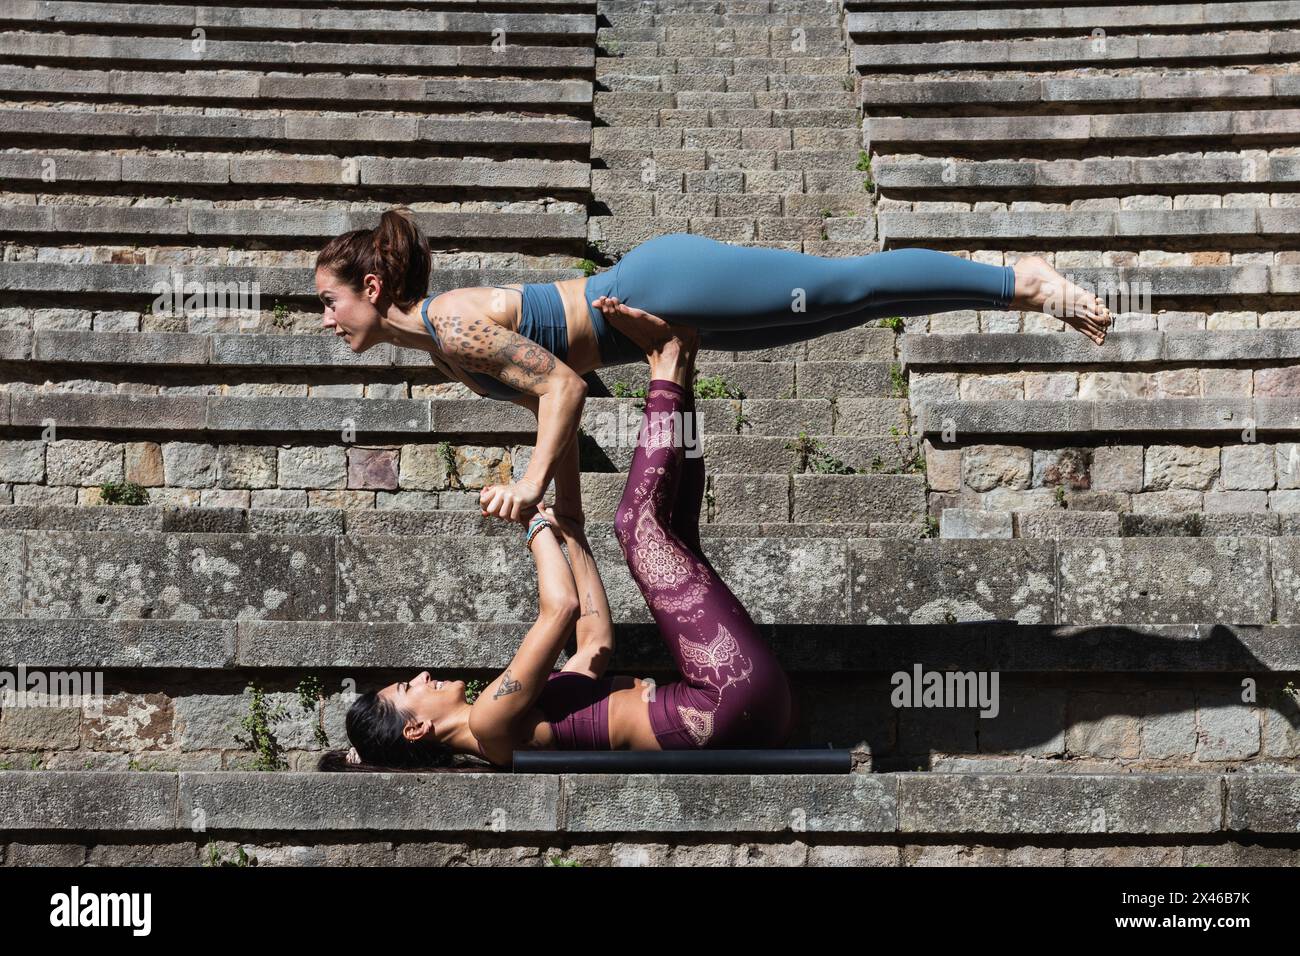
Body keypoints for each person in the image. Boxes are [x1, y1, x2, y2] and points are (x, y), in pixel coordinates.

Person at [315, 207, 1113, 529]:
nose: (325, 319)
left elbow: (564, 387)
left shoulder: (451, 325)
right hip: (660, 318)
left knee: (848, 285)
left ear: (372, 288)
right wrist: (570, 516)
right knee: (854, 308)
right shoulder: (446, 351)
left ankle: (1019, 281)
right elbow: (548, 408)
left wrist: (527, 485)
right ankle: (1012, 289)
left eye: (328, 301)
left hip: (659, 286)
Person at [323, 328, 795, 771]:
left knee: (674, 531)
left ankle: (681, 371)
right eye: (409, 688)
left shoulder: (513, 712)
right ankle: (667, 355)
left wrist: (573, 533)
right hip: (723, 701)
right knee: (637, 526)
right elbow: (561, 608)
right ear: (416, 729)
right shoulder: (489, 725)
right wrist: (531, 521)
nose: (424, 676)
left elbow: (594, 643)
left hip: (742, 708)